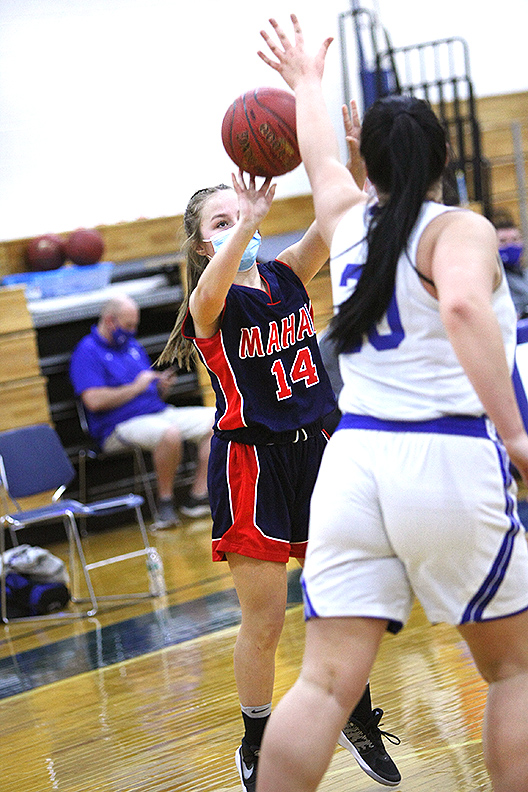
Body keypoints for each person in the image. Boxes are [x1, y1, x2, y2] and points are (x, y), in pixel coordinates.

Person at [256, 14, 528, 792]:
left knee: (321, 686)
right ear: (445, 157)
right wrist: (517, 435)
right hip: (445, 456)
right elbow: (466, 311)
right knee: (513, 673)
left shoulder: (344, 221)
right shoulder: (458, 227)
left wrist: (305, 79)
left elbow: (319, 160)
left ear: (366, 163)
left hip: (353, 465)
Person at [157, 174, 401, 788]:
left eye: (242, 212)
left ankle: (355, 714)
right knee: (265, 620)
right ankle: (257, 740)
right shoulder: (208, 302)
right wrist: (244, 226)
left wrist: (350, 168)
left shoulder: (287, 274)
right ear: (200, 246)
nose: (241, 221)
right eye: (220, 221)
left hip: (316, 451)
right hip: (251, 465)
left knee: (342, 597)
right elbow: (208, 297)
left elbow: (332, 221)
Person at [70, 294, 215, 529]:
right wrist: (136, 387)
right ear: (110, 321)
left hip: (157, 411)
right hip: (117, 425)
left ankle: (198, 496)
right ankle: (165, 503)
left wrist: (161, 388)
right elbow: (93, 401)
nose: (133, 330)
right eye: (128, 325)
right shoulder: (86, 352)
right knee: (169, 434)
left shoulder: (131, 346)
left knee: (217, 420)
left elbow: (147, 394)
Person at [493, 211, 528, 318]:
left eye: (515, 240)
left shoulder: (525, 274)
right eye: (503, 241)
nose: (511, 246)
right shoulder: (492, 281)